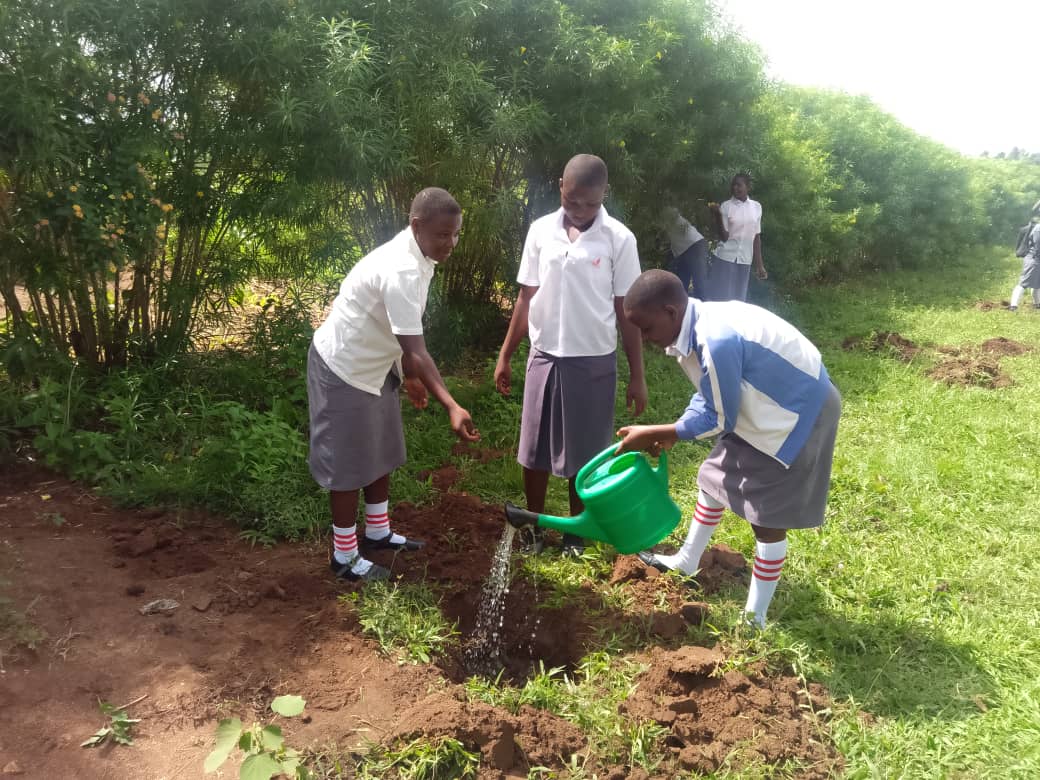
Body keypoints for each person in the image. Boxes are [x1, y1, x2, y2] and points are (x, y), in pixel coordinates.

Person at [615, 269, 841, 629]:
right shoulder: (694, 327)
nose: (644, 338)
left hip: (796, 413)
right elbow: (710, 391)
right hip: (762, 407)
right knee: (712, 478)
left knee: (766, 518)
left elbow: (720, 416)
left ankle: (755, 619)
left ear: (671, 312)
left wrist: (658, 431)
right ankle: (688, 560)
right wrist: (675, 431)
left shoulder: (715, 338)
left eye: (646, 329)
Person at [308, 187, 480, 582]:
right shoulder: (401, 269)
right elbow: (416, 349)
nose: (451, 243)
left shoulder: (419, 256)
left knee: (381, 451)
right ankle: (344, 556)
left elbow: (399, 331)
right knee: (350, 464)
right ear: (417, 226)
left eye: (455, 234)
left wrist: (410, 377)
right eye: (442, 235)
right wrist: (451, 404)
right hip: (344, 368)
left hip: (377, 365)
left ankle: (379, 532)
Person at [495, 154, 647, 556]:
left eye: (590, 204)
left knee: (587, 452)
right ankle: (533, 526)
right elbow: (526, 297)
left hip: (593, 359)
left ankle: (576, 534)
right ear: (560, 185)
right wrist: (506, 354)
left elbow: (626, 312)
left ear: (604, 195)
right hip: (544, 355)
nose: (579, 211)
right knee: (534, 449)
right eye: (571, 200)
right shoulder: (540, 231)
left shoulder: (619, 239)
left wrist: (638, 375)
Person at [705, 173, 767, 301]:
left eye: (739, 185)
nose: (735, 188)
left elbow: (756, 236)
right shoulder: (726, 206)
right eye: (733, 185)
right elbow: (723, 237)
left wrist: (759, 265)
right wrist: (717, 216)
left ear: (748, 187)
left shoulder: (757, 207)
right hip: (725, 258)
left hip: (745, 260)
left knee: (739, 301)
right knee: (721, 299)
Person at [663, 206, 709, 297]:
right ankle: (683, 307)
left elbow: (675, 215)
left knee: (699, 282)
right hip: (682, 251)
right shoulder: (665, 221)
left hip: (695, 245)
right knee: (682, 283)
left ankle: (702, 307)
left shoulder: (670, 211)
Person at [1011, 220, 1040, 312]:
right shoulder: (1038, 229)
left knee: (1037, 284)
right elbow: (1037, 247)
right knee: (1024, 283)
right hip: (1034, 260)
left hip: (1036, 259)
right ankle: (1013, 306)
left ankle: (1037, 304)